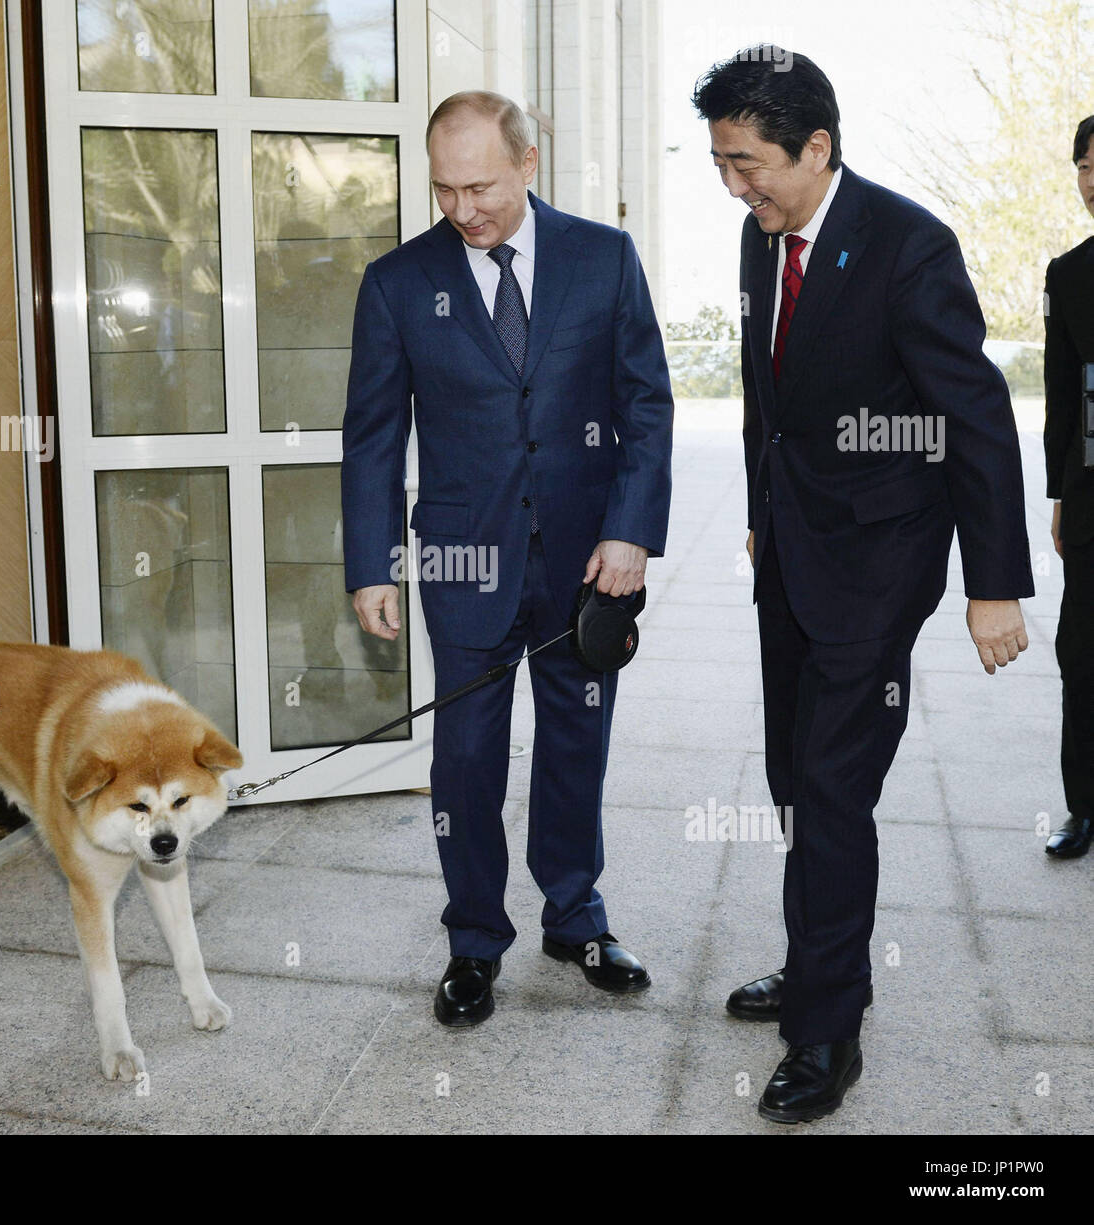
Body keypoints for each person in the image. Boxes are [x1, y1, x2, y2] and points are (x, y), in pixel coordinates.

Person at [693, 47, 1034, 1122]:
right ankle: (814, 962)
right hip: (792, 549)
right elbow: (767, 395)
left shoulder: (906, 246)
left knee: (834, 790)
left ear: (817, 148)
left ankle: (825, 1030)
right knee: (795, 777)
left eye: (749, 163)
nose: (735, 185)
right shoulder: (763, 243)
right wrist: (757, 514)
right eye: (720, 163)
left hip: (877, 562)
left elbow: (973, 414)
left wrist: (994, 584)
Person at [341, 90, 673, 1027]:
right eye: (444, 189)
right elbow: (371, 437)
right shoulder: (399, 283)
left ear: (529, 164)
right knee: (468, 760)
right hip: (462, 564)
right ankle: (474, 940)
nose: (463, 209)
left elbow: (646, 404)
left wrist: (631, 527)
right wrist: (372, 562)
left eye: (480, 185)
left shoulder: (603, 259)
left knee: (578, 742)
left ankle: (576, 917)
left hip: (585, 563)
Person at [1042, 115, 1094, 859]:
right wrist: (1059, 493)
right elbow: (1062, 395)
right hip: (1090, 496)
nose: (1093, 181)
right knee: (1080, 652)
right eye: (1085, 165)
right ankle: (1083, 806)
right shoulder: (1069, 273)